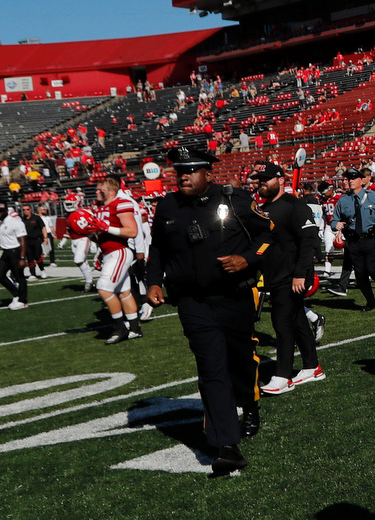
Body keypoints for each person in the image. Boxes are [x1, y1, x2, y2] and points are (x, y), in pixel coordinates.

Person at [145, 145, 275, 476]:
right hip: (192, 303)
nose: (184, 175)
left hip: (235, 298)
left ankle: (250, 402)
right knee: (211, 368)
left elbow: (267, 238)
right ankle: (226, 447)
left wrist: (248, 259)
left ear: (208, 173)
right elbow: (157, 249)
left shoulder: (236, 200)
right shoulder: (167, 207)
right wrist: (154, 282)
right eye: (179, 171)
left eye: (191, 170)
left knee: (241, 362)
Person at [252, 162, 325, 394]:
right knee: (297, 321)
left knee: (281, 322)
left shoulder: (295, 206)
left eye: (267, 179)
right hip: (275, 276)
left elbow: (310, 240)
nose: (261, 182)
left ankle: (283, 376)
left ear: (281, 180)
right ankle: (312, 367)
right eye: (259, 179)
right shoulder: (264, 208)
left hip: (292, 276)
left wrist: (300, 274)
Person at [92, 174, 143, 343]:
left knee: (104, 288)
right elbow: (100, 233)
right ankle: (135, 328)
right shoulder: (98, 208)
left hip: (120, 251)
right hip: (108, 253)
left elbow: (132, 231)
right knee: (124, 292)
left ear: (112, 192)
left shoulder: (122, 203)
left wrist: (106, 227)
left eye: (101, 190)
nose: (97, 192)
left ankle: (120, 328)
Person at [333, 167, 375, 309]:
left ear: (361, 180)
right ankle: (370, 301)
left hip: (370, 238)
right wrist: (337, 225)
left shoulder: (373, 196)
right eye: (349, 178)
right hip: (353, 241)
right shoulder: (343, 201)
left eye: (354, 178)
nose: (351, 181)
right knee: (360, 273)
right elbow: (334, 221)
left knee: (372, 269)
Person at [0, 203, 26, 309]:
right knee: (0, 275)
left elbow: (23, 240)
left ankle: (23, 300)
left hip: (15, 251)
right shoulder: (1, 223)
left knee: (19, 277)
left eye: (1, 210)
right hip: (6, 252)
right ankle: (16, 294)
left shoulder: (15, 222)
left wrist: (22, 258)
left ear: (6, 210)